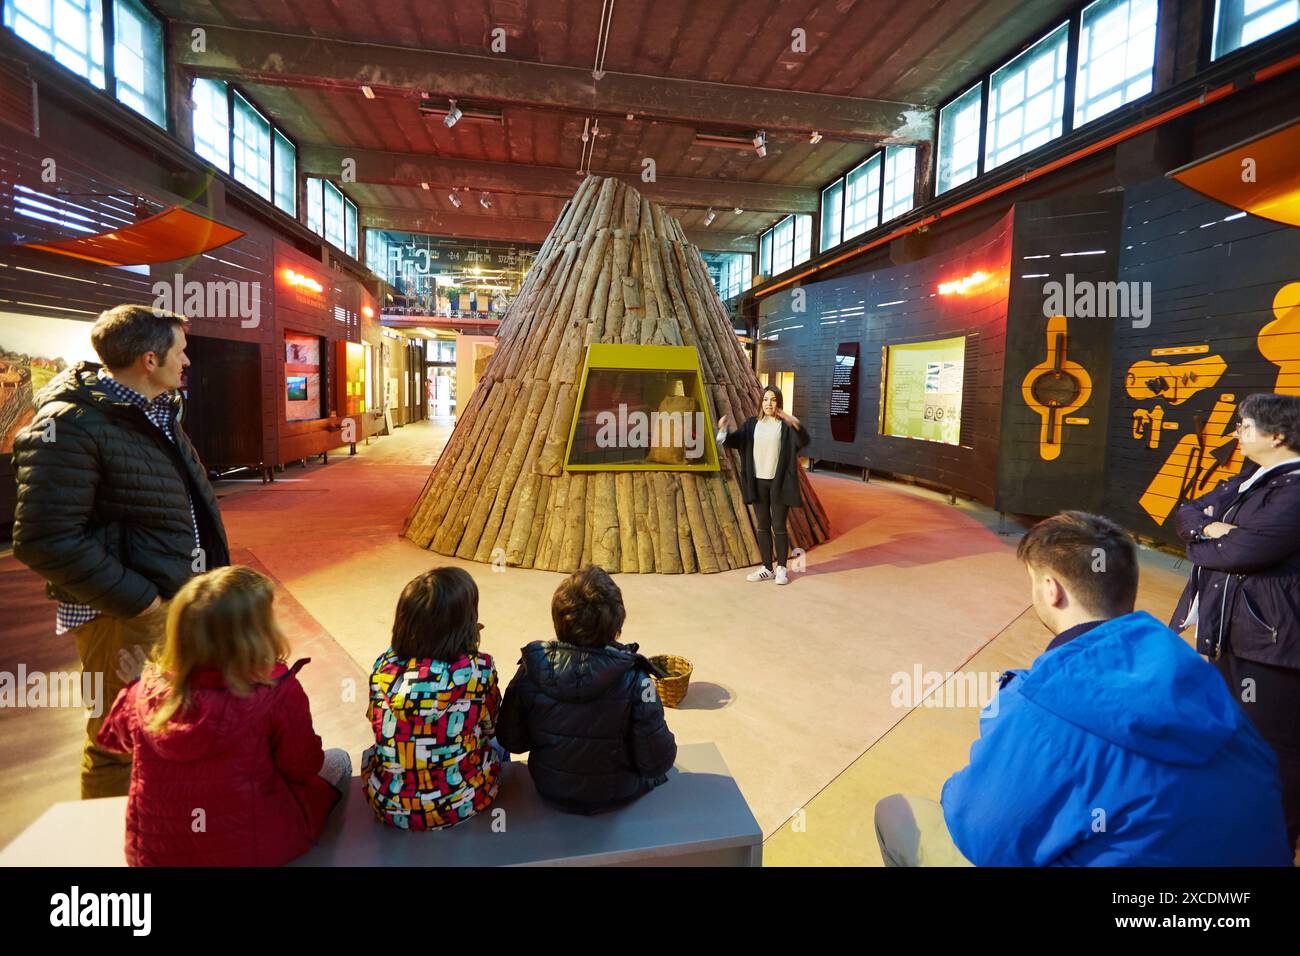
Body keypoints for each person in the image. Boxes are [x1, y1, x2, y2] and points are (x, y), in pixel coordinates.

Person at [875, 511, 1291, 866]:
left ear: (1051, 590)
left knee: (896, 812)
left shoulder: (1042, 705)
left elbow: (980, 834)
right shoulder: (1199, 679)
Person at [11, 304, 230, 799]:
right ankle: (115, 856)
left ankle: (162, 829)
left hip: (167, 603)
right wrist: (142, 602)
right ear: (149, 360)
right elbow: (44, 538)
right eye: (181, 351)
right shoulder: (70, 424)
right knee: (118, 739)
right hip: (120, 614)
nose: (188, 361)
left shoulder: (154, 413)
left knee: (166, 726)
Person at [96, 566, 348, 867]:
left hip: (155, 854)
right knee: (339, 760)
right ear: (257, 633)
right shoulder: (277, 690)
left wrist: (136, 684)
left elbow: (115, 740)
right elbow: (303, 767)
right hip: (254, 850)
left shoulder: (145, 692)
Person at [1170, 392, 1300, 853]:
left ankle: (1272, 847)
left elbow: (1246, 552)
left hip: (1272, 644)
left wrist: (1224, 537)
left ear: (1278, 434)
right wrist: (1211, 531)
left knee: (1272, 751)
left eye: (1244, 426)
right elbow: (1185, 514)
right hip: (1230, 633)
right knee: (1231, 735)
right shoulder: (1250, 479)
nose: (1235, 433)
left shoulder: (1295, 490)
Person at [496, 564, 677, 814]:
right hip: (617, 794)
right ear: (617, 624)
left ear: (558, 619)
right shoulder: (636, 680)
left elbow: (511, 741)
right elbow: (657, 762)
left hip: (549, 788)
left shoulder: (531, 669)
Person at [362, 567, 502, 830]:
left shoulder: (383, 668)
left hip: (390, 807)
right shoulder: (479, 669)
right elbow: (491, 728)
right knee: (499, 748)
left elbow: (375, 721)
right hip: (462, 803)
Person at [716, 384, 810, 585]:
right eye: (766, 399)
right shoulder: (752, 424)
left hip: (779, 482)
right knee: (763, 526)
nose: (769, 403)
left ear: (779, 403)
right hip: (757, 482)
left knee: (779, 526)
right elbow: (734, 441)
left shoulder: (784, 427)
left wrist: (795, 423)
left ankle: (782, 569)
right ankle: (767, 567)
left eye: (773, 400)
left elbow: (803, 441)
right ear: (761, 402)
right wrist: (723, 429)